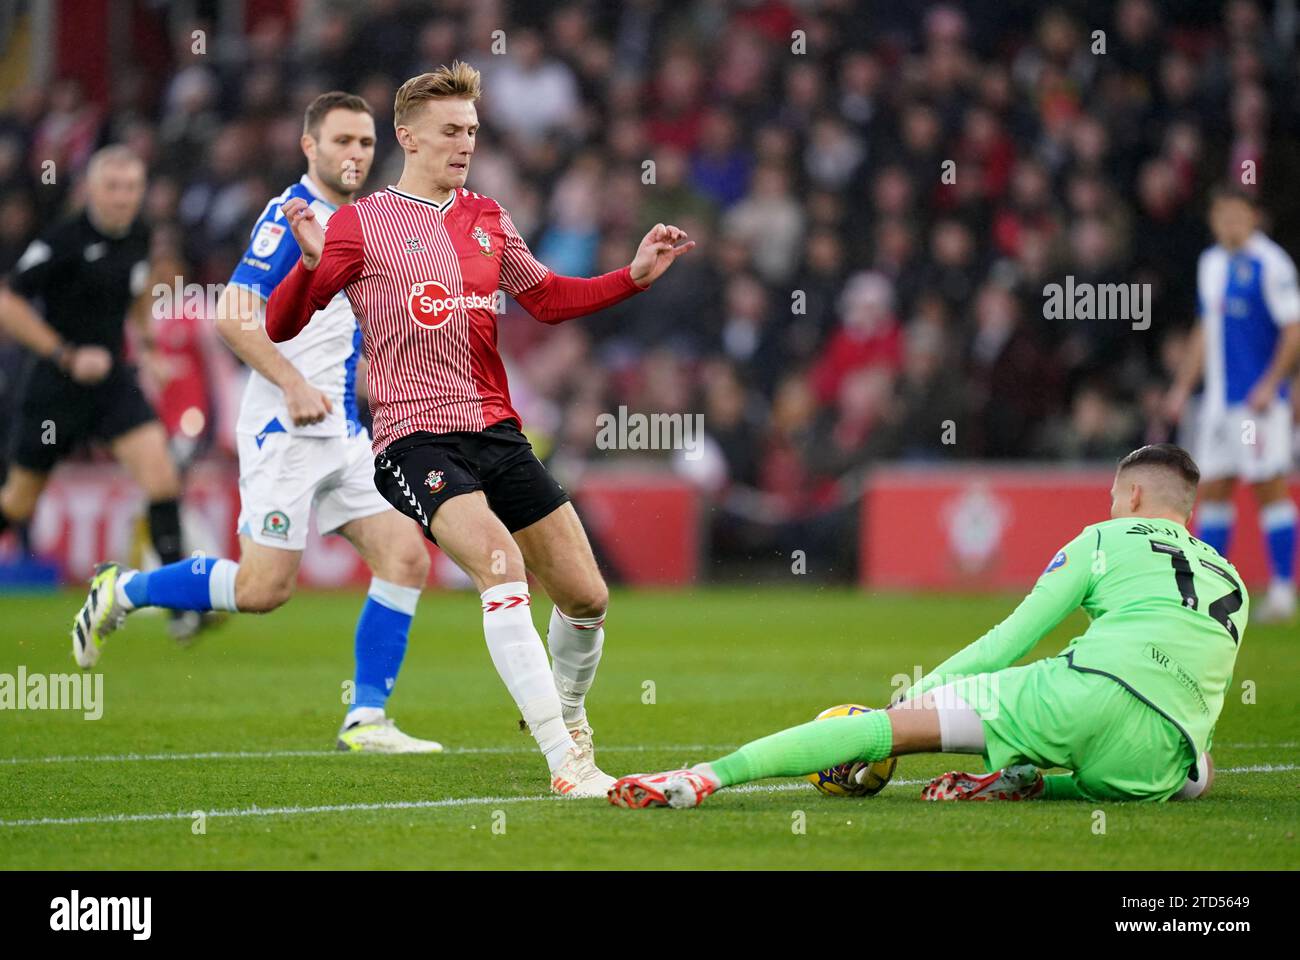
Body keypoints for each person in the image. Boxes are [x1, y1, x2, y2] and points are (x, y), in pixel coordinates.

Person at [265, 62, 694, 796]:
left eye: (471, 130)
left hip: (497, 432)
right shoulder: (358, 225)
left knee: (588, 598)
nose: (465, 143)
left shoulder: (488, 217)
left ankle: (561, 712)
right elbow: (280, 323)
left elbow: (549, 299)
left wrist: (634, 275)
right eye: (450, 132)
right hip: (413, 436)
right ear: (408, 137)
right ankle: (569, 763)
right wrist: (308, 264)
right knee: (500, 569)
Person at [71, 93, 441, 753]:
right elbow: (232, 317)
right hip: (287, 427)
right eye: (341, 142)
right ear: (309, 146)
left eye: (364, 143)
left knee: (406, 556)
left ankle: (366, 720)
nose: (355, 154)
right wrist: (294, 384)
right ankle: (123, 589)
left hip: (341, 430)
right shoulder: (286, 219)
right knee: (263, 588)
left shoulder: (349, 221)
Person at [609, 444, 1245, 808]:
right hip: (1161, 751)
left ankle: (701, 777)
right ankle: (1031, 783)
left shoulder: (1105, 536)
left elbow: (1013, 638)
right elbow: (1205, 698)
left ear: (1131, 497)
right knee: (1199, 770)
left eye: (1113, 496)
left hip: (1077, 698)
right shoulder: (1234, 580)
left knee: (883, 731)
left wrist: (921, 690)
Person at [0, 146, 197, 639]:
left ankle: (180, 610)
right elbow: (9, 303)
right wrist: (65, 355)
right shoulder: (63, 240)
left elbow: (133, 297)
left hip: (112, 382)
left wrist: (148, 347)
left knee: (162, 478)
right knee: (19, 503)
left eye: (132, 188)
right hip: (55, 389)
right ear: (91, 189)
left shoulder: (140, 234)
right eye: (113, 187)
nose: (123, 198)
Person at [1165, 184, 1300, 622]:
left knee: (1268, 486)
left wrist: (1271, 383)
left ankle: (1282, 591)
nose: (1231, 224)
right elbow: (1206, 329)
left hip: (1258, 404)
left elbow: (1294, 328)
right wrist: (1183, 385)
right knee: (1214, 488)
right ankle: (1209, 590)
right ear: (1213, 219)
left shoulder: (1271, 263)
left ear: (1253, 218)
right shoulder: (1211, 263)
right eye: (1223, 216)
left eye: (1239, 216)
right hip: (1219, 405)